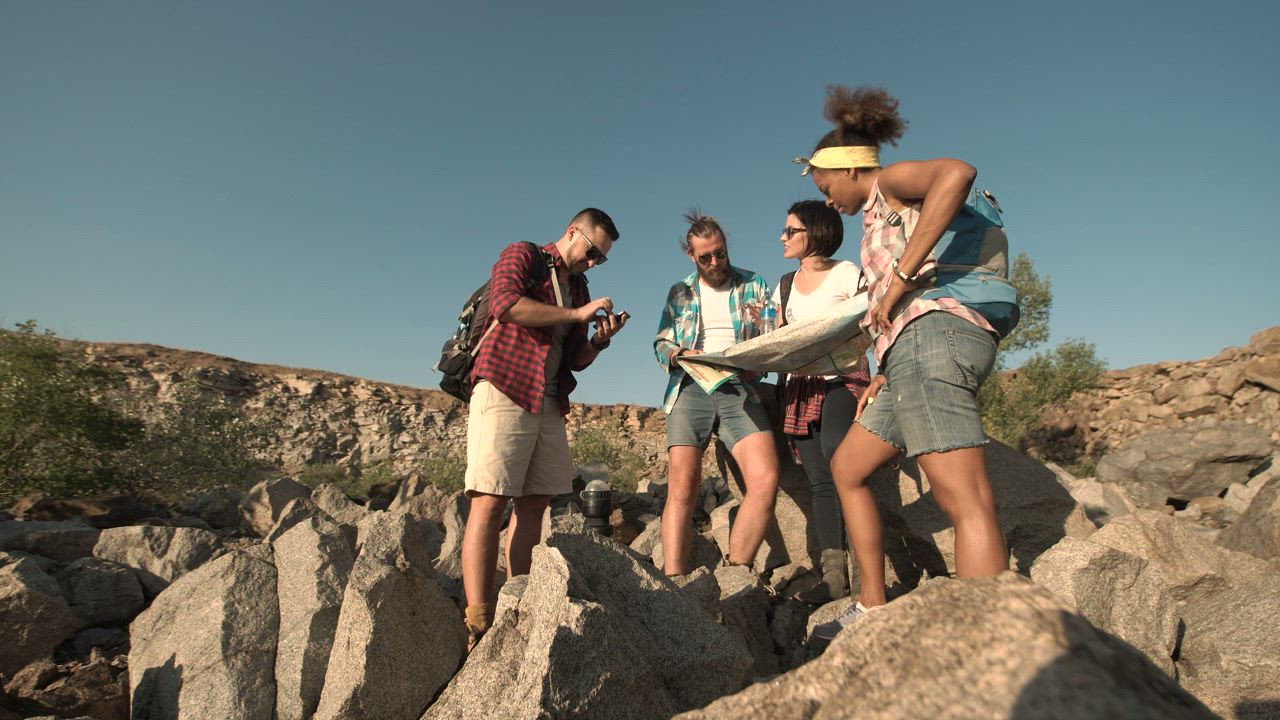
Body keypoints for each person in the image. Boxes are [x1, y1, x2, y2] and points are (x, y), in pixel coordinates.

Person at [796, 86, 1010, 640]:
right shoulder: (876, 218)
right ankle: (873, 607)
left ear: (849, 170)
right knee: (848, 469)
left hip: (935, 335)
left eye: (826, 189)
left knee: (964, 498)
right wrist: (886, 367)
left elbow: (957, 173)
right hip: (908, 354)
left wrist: (903, 279)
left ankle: (989, 650)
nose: (827, 203)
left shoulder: (888, 185)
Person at [462, 208, 628, 650]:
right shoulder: (524, 255)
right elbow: (507, 306)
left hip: (549, 399)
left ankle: (517, 602)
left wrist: (597, 339)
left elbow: (574, 358)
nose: (593, 263)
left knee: (535, 503)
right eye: (592, 252)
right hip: (504, 387)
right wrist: (575, 316)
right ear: (572, 232)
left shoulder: (578, 286)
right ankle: (477, 622)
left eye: (602, 259)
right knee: (489, 500)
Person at [653, 210, 779, 575]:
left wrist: (761, 348)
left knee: (766, 479)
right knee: (682, 489)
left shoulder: (754, 283)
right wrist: (679, 353)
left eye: (720, 253)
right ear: (692, 256)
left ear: (726, 247)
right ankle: (675, 582)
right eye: (705, 256)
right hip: (690, 384)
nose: (714, 262)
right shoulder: (679, 291)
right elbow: (662, 342)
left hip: (740, 384)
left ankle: (735, 574)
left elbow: (772, 334)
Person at [770, 200, 870, 603]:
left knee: (840, 459)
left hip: (841, 380)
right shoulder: (785, 284)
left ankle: (866, 576)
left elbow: (872, 318)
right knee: (820, 482)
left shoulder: (847, 273)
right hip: (800, 388)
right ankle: (834, 577)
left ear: (815, 233)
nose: (783, 237)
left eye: (790, 230)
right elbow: (780, 336)